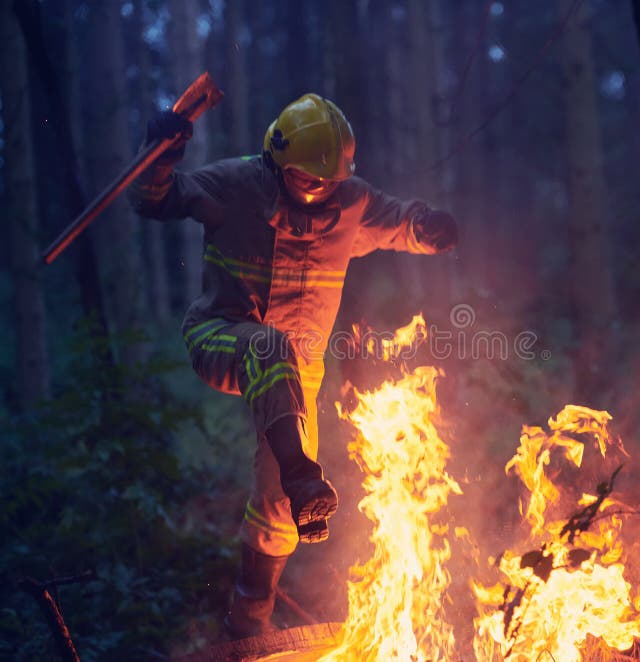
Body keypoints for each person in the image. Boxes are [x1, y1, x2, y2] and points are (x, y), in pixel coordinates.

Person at [129, 93, 457, 638]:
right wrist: (159, 155)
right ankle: (303, 474)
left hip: (295, 377)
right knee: (269, 351)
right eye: (307, 179)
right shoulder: (234, 185)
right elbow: (156, 201)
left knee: (281, 507)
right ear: (276, 162)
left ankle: (249, 612)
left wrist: (429, 227)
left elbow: (398, 221)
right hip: (224, 335)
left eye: (330, 180)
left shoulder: (350, 203)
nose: (319, 191)